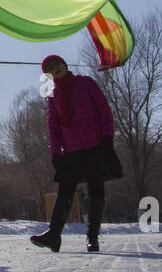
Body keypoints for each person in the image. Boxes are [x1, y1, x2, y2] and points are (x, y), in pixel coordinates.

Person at [30, 55, 121, 253]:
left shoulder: (86, 83)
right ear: (49, 75)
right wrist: (55, 153)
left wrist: (107, 136)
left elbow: (104, 110)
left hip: (95, 145)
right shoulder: (53, 96)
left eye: (58, 64)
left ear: (65, 65)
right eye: (51, 68)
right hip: (71, 151)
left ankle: (92, 237)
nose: (56, 69)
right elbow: (53, 128)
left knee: (95, 188)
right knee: (65, 191)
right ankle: (54, 235)